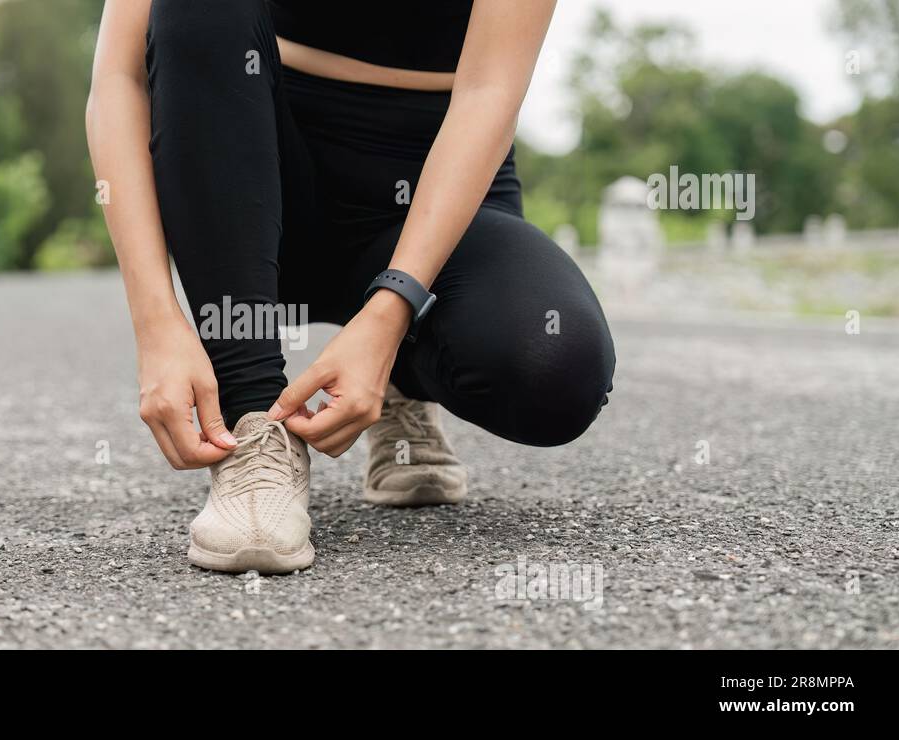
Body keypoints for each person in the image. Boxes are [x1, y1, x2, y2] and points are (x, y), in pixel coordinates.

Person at [86, 0, 615, 574]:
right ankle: (253, 432)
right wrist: (156, 320)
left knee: (554, 366)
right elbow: (119, 77)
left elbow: (491, 90)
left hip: (432, 189)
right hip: (256, 168)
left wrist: (395, 306)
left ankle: (402, 382)